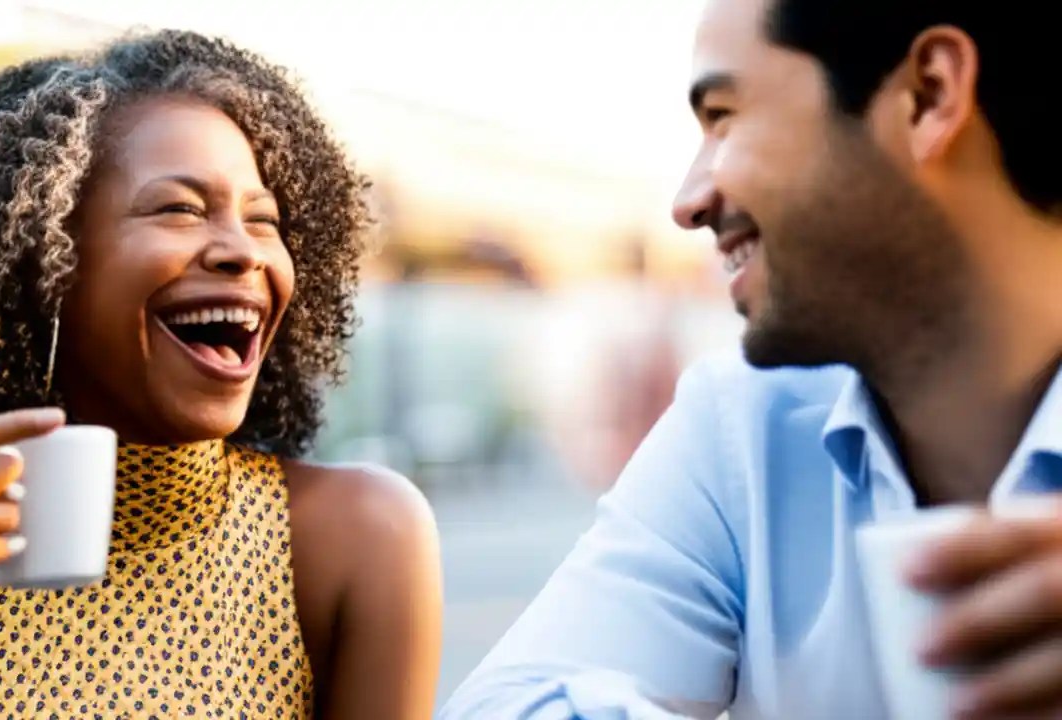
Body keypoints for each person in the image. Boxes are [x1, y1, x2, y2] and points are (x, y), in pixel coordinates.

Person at [0, 30, 442, 720]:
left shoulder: (358, 533)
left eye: (263, 220)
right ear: (45, 267)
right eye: (180, 209)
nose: (242, 252)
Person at [442, 0, 1062, 718]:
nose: (688, 201)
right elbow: (508, 702)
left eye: (723, 117)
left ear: (927, 96)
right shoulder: (743, 424)